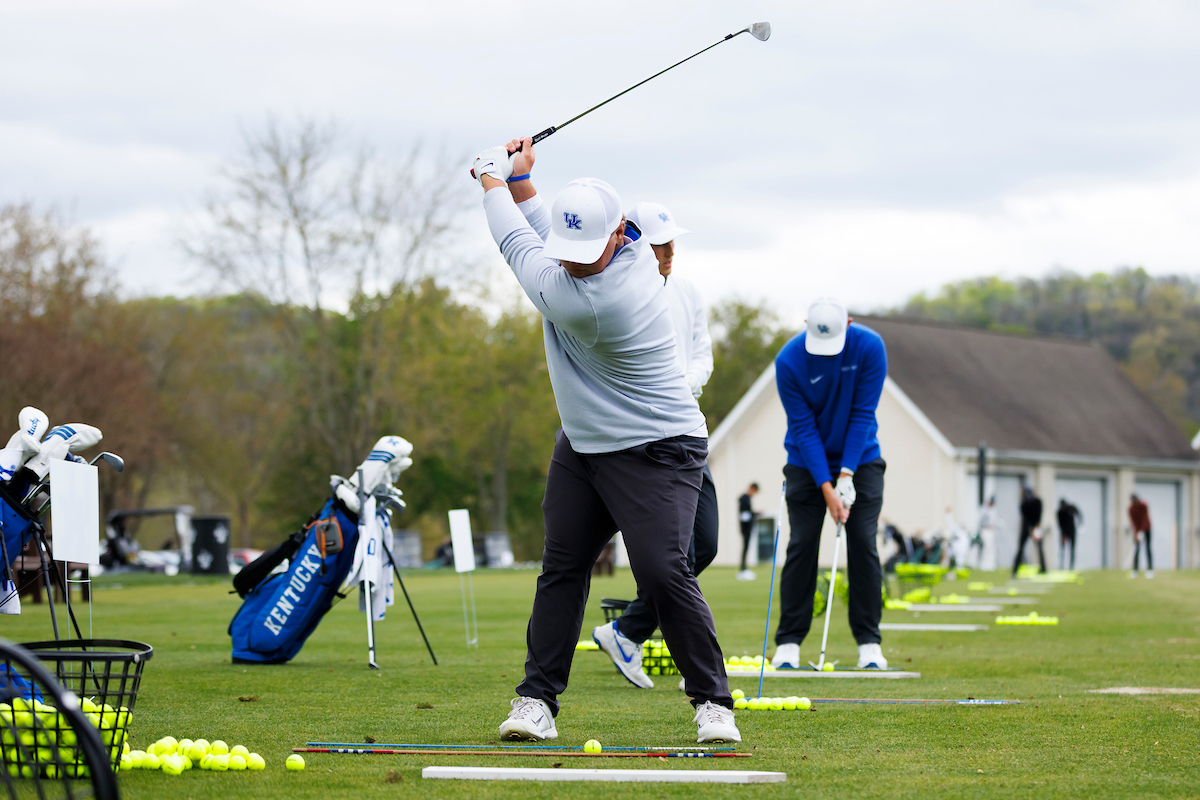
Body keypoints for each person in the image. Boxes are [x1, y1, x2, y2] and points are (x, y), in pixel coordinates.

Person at [471, 138, 738, 744]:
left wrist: (490, 182)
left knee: (664, 570)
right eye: (573, 250)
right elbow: (546, 234)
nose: (574, 261)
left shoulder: (598, 301)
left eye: (586, 252)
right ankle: (535, 702)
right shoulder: (609, 252)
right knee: (562, 567)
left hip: (657, 446)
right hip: (586, 443)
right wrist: (520, 183)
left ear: (620, 235)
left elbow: (519, 246)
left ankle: (713, 703)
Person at [592, 201, 721, 692]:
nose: (669, 253)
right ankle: (628, 633)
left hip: (685, 430)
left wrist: (681, 386)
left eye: (672, 244)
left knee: (703, 542)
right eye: (659, 245)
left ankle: (626, 630)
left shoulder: (687, 292)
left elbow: (702, 353)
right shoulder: (619, 294)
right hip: (638, 441)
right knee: (663, 553)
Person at [769, 297, 889, 671]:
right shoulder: (788, 360)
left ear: (849, 323)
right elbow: (803, 428)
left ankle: (869, 642)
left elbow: (862, 413)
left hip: (862, 459)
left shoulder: (870, 347)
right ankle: (789, 642)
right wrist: (827, 486)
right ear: (805, 324)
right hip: (805, 464)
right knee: (802, 544)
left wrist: (847, 475)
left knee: (863, 544)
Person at [1012, 486, 1045, 576]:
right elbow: (1025, 518)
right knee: (1020, 548)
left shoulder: (1038, 502)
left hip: (1036, 526)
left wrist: (1036, 527)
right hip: (1027, 527)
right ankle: (1015, 570)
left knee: (1040, 547)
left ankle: (1043, 568)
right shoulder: (1023, 504)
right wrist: (1030, 529)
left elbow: (1039, 515)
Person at [1128, 494, 1154, 578]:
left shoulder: (1144, 505)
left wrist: (1142, 530)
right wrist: (1136, 533)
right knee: (1136, 550)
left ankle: (1150, 569)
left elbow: (1145, 518)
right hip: (1137, 530)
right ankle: (1135, 570)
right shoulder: (1131, 509)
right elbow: (1133, 522)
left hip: (1147, 529)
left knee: (1148, 548)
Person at [737, 483, 760, 579]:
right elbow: (745, 514)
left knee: (746, 547)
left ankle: (744, 568)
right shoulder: (744, 498)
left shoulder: (746, 498)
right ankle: (743, 569)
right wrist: (755, 514)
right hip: (745, 527)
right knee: (745, 547)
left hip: (747, 527)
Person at [1056, 499, 1082, 571]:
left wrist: (1080, 522)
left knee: (1071, 549)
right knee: (1063, 550)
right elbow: (1060, 524)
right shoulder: (1060, 512)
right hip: (1065, 532)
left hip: (1071, 531)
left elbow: (1078, 514)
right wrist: (1063, 534)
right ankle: (1062, 566)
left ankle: (1071, 566)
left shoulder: (1070, 508)